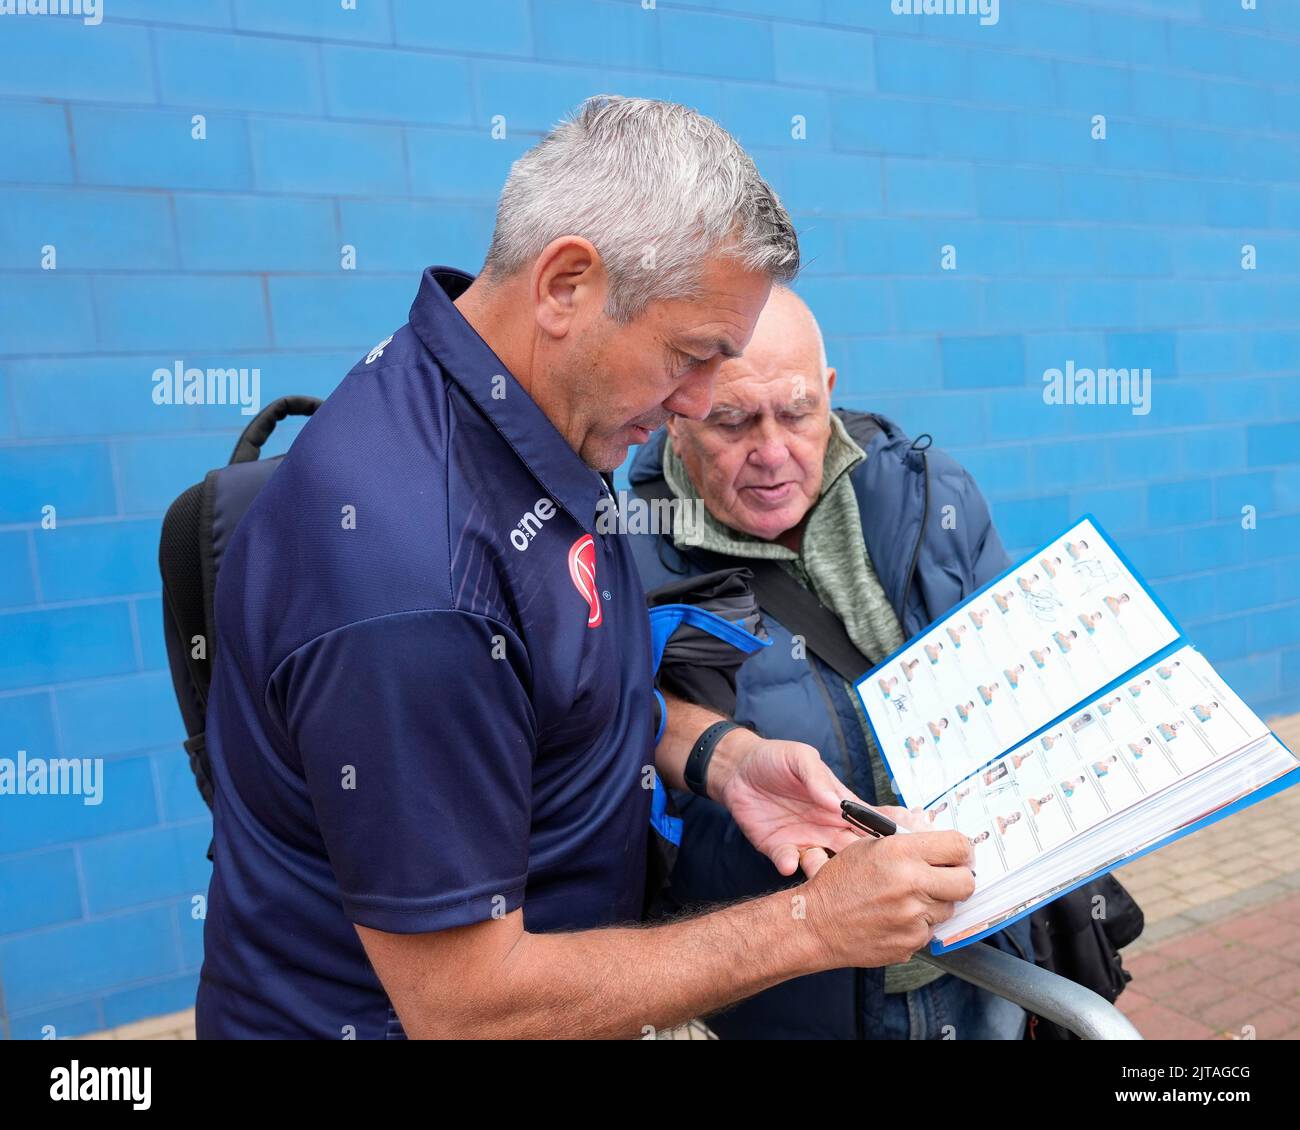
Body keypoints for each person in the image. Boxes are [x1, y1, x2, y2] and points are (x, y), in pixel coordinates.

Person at [196, 97, 976, 1040]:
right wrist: (816, 924)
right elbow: (470, 1008)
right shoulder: (418, 581)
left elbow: (568, 702)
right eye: (693, 358)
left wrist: (726, 761)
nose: (695, 402)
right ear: (566, 283)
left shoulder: (535, 420)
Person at [627, 286, 1032, 1040]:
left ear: (832, 393)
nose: (773, 451)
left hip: (982, 950)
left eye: (798, 411)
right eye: (734, 420)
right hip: (790, 998)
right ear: (678, 415)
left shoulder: (931, 489)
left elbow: (1014, 683)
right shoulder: (625, 559)